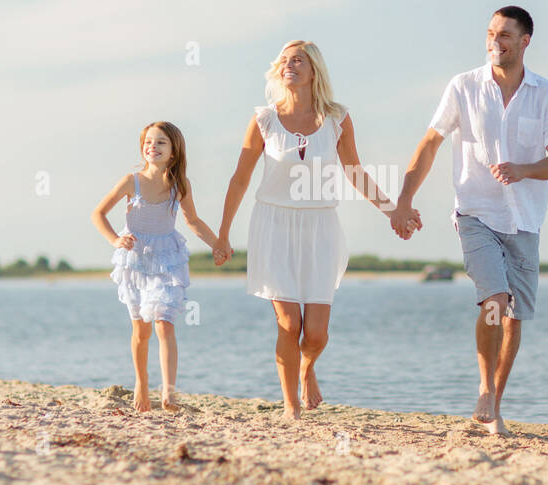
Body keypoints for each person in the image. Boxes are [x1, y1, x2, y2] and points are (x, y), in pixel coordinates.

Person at [388, 6, 548, 435]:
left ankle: (495, 402)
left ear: (526, 40)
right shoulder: (464, 87)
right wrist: (404, 200)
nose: (496, 41)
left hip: (526, 220)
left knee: (515, 317)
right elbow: (431, 143)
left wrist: (523, 170)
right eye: (491, 33)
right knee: (495, 299)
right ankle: (483, 389)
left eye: (506, 35)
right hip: (476, 212)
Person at [214, 40, 397, 419]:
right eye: (284, 60)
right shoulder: (263, 119)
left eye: (297, 60)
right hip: (273, 224)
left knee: (315, 334)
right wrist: (223, 234)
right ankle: (290, 406)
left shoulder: (338, 120)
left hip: (319, 227)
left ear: (314, 69)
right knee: (287, 322)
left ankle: (307, 367)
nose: (289, 65)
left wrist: (392, 211)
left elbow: (355, 172)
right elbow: (240, 179)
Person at [91, 121, 223, 413]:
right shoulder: (131, 181)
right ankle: (141, 382)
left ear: (174, 152)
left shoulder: (180, 186)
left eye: (161, 142)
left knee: (164, 323)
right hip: (135, 260)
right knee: (141, 331)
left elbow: (193, 221)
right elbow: (98, 213)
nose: (153, 146)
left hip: (167, 259)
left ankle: (169, 392)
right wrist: (115, 239)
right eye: (148, 141)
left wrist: (217, 243)